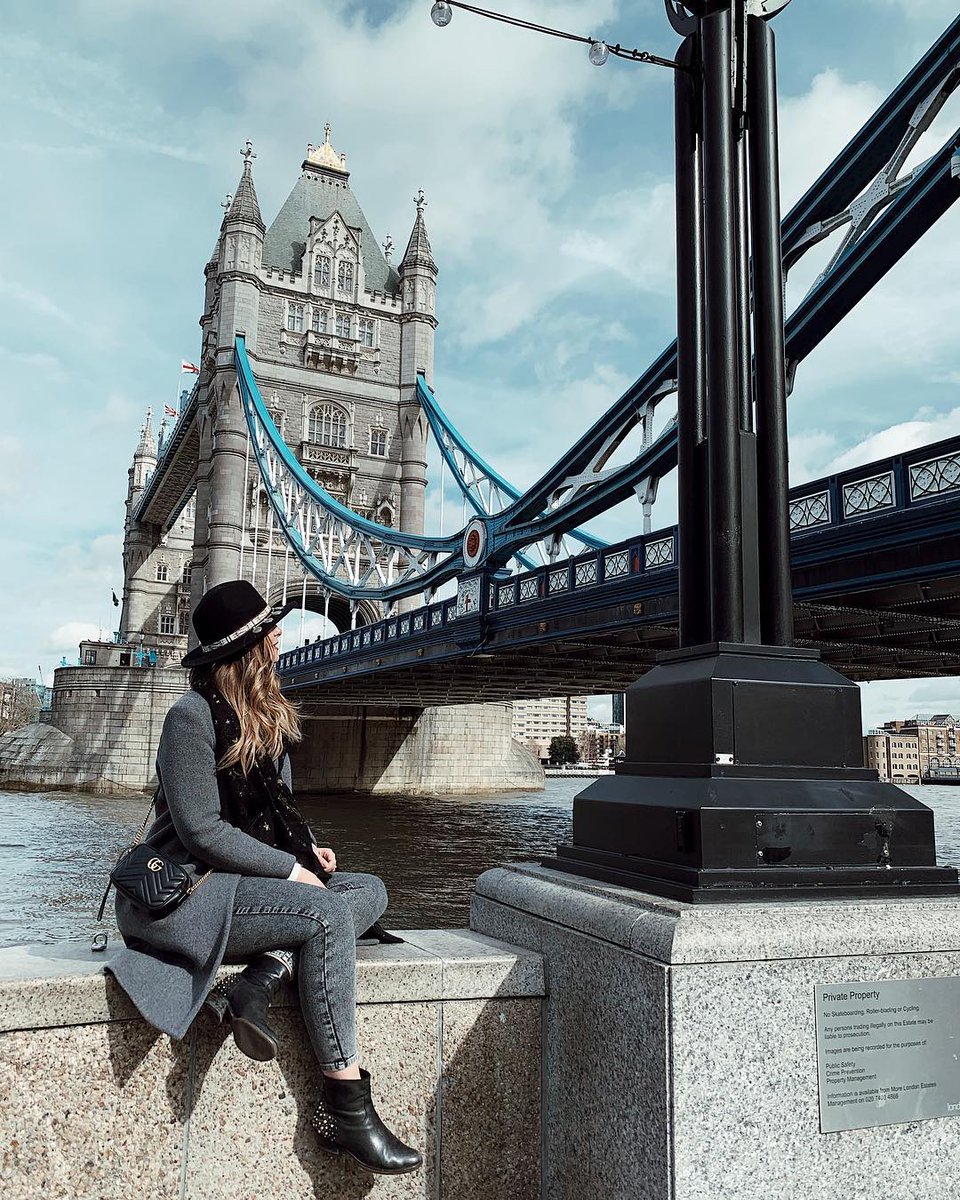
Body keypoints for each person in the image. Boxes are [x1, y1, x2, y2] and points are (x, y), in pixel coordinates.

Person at [108, 580, 421, 1176]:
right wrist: (289, 870)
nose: (281, 636)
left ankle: (259, 978)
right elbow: (201, 831)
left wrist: (308, 852)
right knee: (327, 913)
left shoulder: (267, 717)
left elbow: (274, 821)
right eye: (269, 629)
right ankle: (344, 1105)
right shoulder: (190, 717)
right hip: (185, 891)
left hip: (240, 883)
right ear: (246, 647)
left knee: (370, 889)